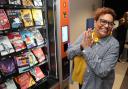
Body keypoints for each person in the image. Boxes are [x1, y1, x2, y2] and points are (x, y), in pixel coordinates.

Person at [67, 7, 119, 89]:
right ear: (95, 22)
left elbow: (102, 71)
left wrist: (86, 48)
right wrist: (81, 46)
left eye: (110, 23)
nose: (106, 26)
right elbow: (69, 54)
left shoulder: (114, 44)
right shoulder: (86, 34)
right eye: (103, 21)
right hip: (83, 81)